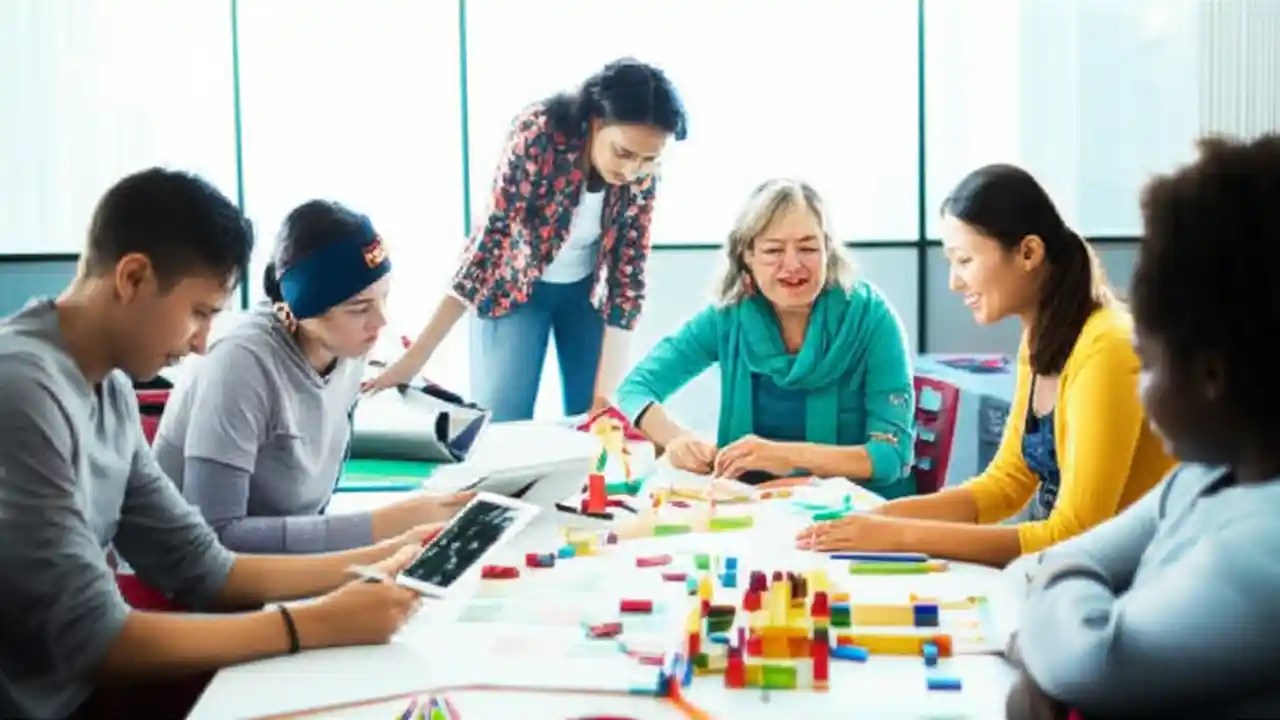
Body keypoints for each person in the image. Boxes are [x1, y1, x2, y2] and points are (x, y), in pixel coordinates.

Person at [0, 169, 432, 720]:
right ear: (132, 278)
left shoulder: (107, 386)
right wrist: (312, 624)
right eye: (200, 313)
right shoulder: (22, 390)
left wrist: (382, 561)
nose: (202, 343)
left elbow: (203, 565)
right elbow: (93, 639)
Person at [1005, 135, 1280, 720]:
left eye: (1150, 365)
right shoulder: (1209, 475)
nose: (1141, 387)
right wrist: (1054, 639)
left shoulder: (1264, 545)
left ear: (1211, 374)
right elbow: (1068, 565)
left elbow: (1092, 657)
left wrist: (1048, 644)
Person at [797, 164, 1174, 565]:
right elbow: (1006, 484)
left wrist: (900, 535)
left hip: (1138, 582)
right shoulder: (1042, 336)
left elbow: (1074, 533)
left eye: (965, 260)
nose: (954, 282)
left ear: (1029, 252)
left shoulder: (1107, 347)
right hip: (1075, 577)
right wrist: (878, 517)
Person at [363, 58, 688, 421]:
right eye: (623, 153)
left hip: (585, 295)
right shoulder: (540, 135)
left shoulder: (643, 173)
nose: (632, 170)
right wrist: (414, 361)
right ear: (597, 121)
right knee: (504, 420)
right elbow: (490, 243)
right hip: (513, 289)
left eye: (648, 159)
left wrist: (605, 395)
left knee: (596, 422)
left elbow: (628, 276)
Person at [153, 200, 472, 553]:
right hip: (184, 586)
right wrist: (382, 526)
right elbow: (213, 538)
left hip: (278, 570)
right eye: (360, 308)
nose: (380, 321)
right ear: (301, 309)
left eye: (384, 299)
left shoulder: (346, 348)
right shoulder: (239, 365)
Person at [615, 179, 917, 498]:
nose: (793, 265)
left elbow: (891, 456)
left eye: (808, 248)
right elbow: (635, 389)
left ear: (828, 250)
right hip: (758, 504)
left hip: (858, 509)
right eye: (773, 250)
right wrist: (676, 438)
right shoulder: (729, 316)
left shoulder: (870, 318)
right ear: (747, 254)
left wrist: (786, 456)